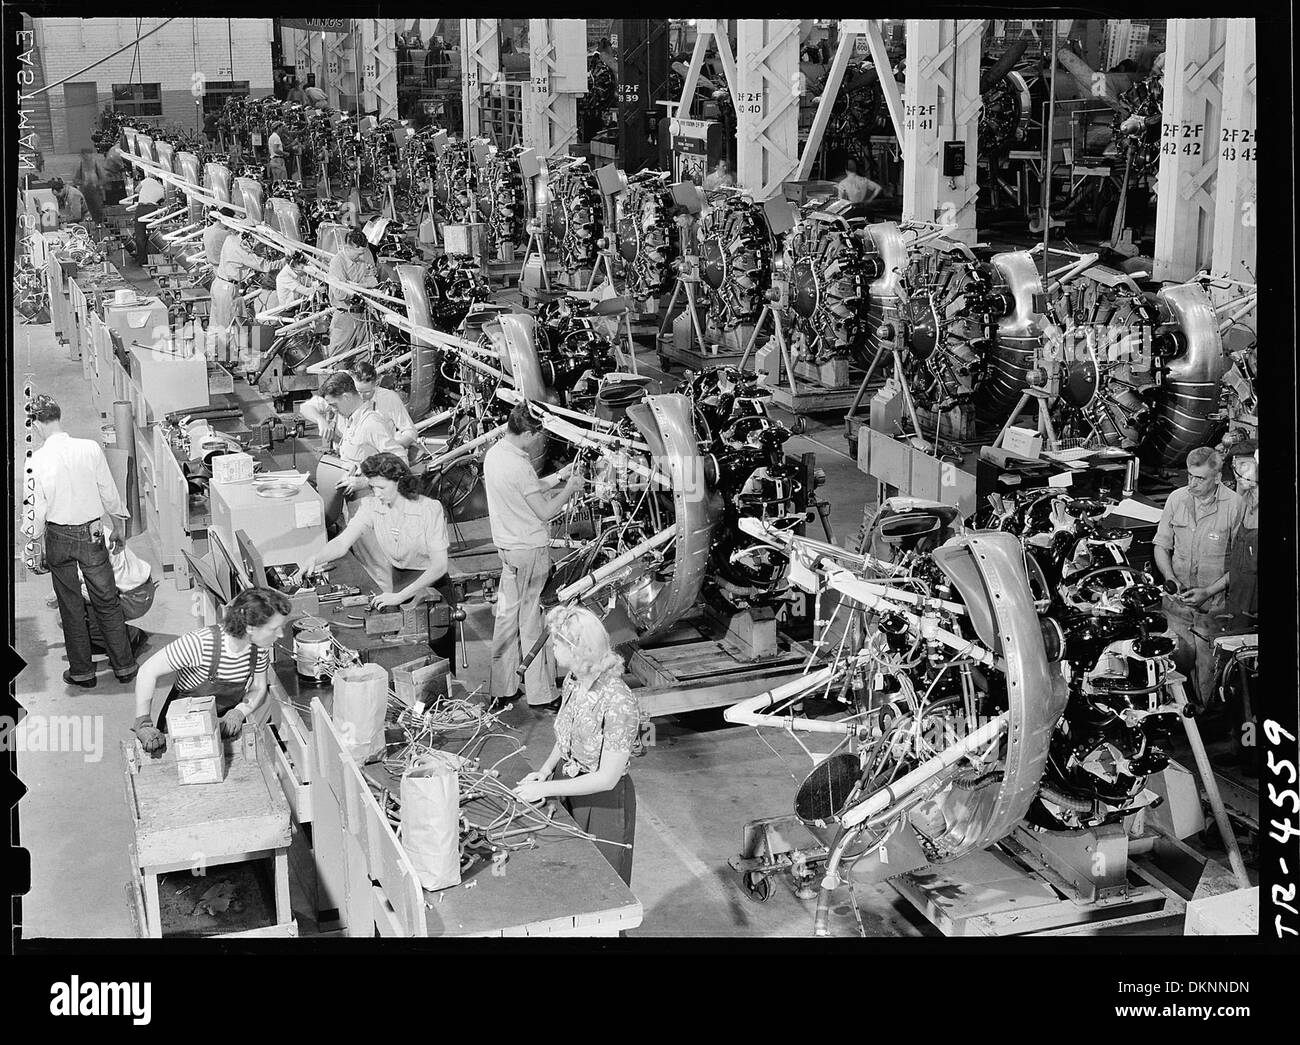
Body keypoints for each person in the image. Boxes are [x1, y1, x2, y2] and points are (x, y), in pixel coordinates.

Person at [514, 605, 642, 885]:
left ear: (577, 649)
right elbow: (566, 736)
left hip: (603, 803)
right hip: (567, 784)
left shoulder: (618, 701)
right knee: (571, 876)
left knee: (603, 885)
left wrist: (544, 789)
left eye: (557, 641)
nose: (552, 647)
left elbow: (607, 778)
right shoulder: (574, 681)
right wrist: (546, 770)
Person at [300, 453, 458, 666]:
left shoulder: (429, 509)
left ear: (400, 483)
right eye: (372, 487)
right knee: (408, 659)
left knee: (439, 664)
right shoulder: (373, 506)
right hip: (399, 582)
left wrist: (399, 596)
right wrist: (315, 558)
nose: (376, 493)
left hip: (433, 590)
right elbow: (342, 542)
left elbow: (439, 566)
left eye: (381, 488)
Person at [26, 394, 138, 687]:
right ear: (59, 415)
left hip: (58, 537)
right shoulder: (88, 449)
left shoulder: (35, 461)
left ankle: (83, 673)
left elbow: (36, 510)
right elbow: (108, 489)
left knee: (70, 605)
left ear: (37, 424)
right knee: (107, 601)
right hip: (92, 533)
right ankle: (124, 667)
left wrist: (35, 547)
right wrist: (118, 525)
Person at [484, 403, 585, 709]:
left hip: (507, 551)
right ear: (526, 432)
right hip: (529, 552)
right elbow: (543, 510)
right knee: (533, 624)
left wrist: (558, 477)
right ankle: (542, 694)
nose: (537, 439)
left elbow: (524, 489)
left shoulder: (496, 454)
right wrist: (571, 488)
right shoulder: (519, 465)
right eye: (535, 434)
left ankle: (503, 688)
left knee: (506, 620)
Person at [130, 587, 291, 753]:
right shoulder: (200, 643)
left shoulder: (258, 648)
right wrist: (143, 721)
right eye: (274, 629)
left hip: (224, 725)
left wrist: (239, 712)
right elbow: (147, 671)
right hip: (183, 723)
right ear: (250, 627)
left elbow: (258, 687)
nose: (280, 634)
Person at [1152, 446, 1243, 709]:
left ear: (1217, 476)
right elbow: (1161, 545)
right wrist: (1170, 578)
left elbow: (1242, 565)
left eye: (1200, 478)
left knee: (1208, 676)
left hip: (1212, 611)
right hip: (1175, 606)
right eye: (1189, 475)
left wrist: (1208, 591)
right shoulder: (1176, 499)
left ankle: (1206, 725)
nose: (1192, 483)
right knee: (1172, 668)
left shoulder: (1235, 506)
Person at [318, 371, 406, 588]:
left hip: (373, 508)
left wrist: (366, 482)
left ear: (347, 397)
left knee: (381, 567)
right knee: (367, 565)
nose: (333, 410)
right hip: (354, 506)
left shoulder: (371, 423)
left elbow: (400, 461)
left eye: (334, 405)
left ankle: (394, 610)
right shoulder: (351, 422)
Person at [299, 359, 417, 454]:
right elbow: (305, 408)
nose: (361, 396)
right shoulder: (343, 393)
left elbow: (410, 431)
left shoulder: (389, 398)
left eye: (367, 392)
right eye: (357, 391)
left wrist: (389, 446)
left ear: (375, 384)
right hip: (343, 456)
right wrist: (321, 421)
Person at [210, 229, 284, 352]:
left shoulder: (230, 239)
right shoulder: (241, 251)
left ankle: (215, 351)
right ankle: (225, 357)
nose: (254, 246)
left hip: (218, 283)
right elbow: (265, 266)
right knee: (228, 324)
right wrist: (285, 261)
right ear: (247, 238)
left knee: (217, 322)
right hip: (227, 288)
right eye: (254, 242)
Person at [83, 533, 155, 658]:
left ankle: (131, 637)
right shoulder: (94, 528)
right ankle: (108, 640)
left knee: (70, 612)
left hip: (133, 597)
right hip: (141, 589)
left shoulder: (85, 544)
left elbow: (98, 590)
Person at [326, 229, 380, 357]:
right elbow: (340, 293)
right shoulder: (337, 263)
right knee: (338, 359)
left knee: (366, 357)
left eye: (363, 252)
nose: (362, 257)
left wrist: (370, 280)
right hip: (345, 317)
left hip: (365, 317)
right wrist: (366, 285)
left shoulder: (366, 254)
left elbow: (374, 281)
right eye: (358, 254)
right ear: (347, 248)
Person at [128, 175, 166, 264]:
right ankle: (154, 258)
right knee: (153, 234)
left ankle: (142, 260)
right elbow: (162, 200)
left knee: (140, 234)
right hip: (152, 209)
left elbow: (137, 189)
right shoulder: (162, 190)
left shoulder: (148, 180)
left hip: (141, 208)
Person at [73, 148, 106, 223]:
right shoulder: (80, 165)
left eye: (89, 154)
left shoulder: (95, 164)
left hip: (96, 192)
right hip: (85, 193)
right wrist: (82, 182)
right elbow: (75, 180)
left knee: (98, 210)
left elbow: (103, 178)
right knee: (88, 211)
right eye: (85, 155)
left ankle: (99, 224)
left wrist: (98, 184)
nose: (87, 156)